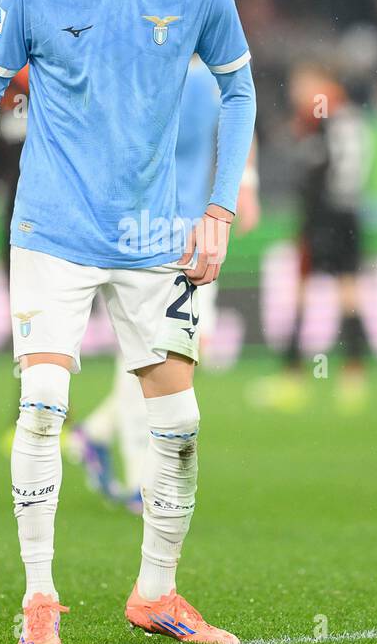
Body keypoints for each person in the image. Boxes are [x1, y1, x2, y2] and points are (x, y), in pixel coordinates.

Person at [0, 0, 256, 644]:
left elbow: (240, 87)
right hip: (53, 231)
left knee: (181, 423)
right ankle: (40, 597)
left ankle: (157, 593)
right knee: (44, 408)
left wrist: (219, 208)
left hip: (157, 237)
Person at [68, 52, 261, 512]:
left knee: (169, 352)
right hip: (160, 234)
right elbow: (241, 113)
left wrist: (245, 185)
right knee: (156, 353)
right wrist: (245, 185)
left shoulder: (163, 73)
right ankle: (138, 477)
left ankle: (96, 436)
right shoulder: (199, 78)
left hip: (180, 231)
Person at [249, 63, 371, 414]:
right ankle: (353, 376)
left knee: (305, 294)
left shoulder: (325, 118)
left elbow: (320, 168)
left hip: (323, 215)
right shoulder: (350, 117)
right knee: (348, 293)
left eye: (302, 84)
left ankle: (293, 377)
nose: (296, 92)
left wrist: (311, 208)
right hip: (347, 214)